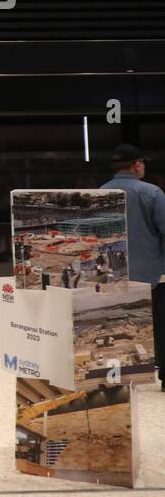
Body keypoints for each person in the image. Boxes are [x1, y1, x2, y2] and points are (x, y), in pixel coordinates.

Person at [100, 143, 165, 391]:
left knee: (116, 324)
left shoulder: (101, 192)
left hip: (114, 274)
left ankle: (119, 378)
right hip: (153, 273)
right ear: (137, 165)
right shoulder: (152, 192)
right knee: (160, 324)